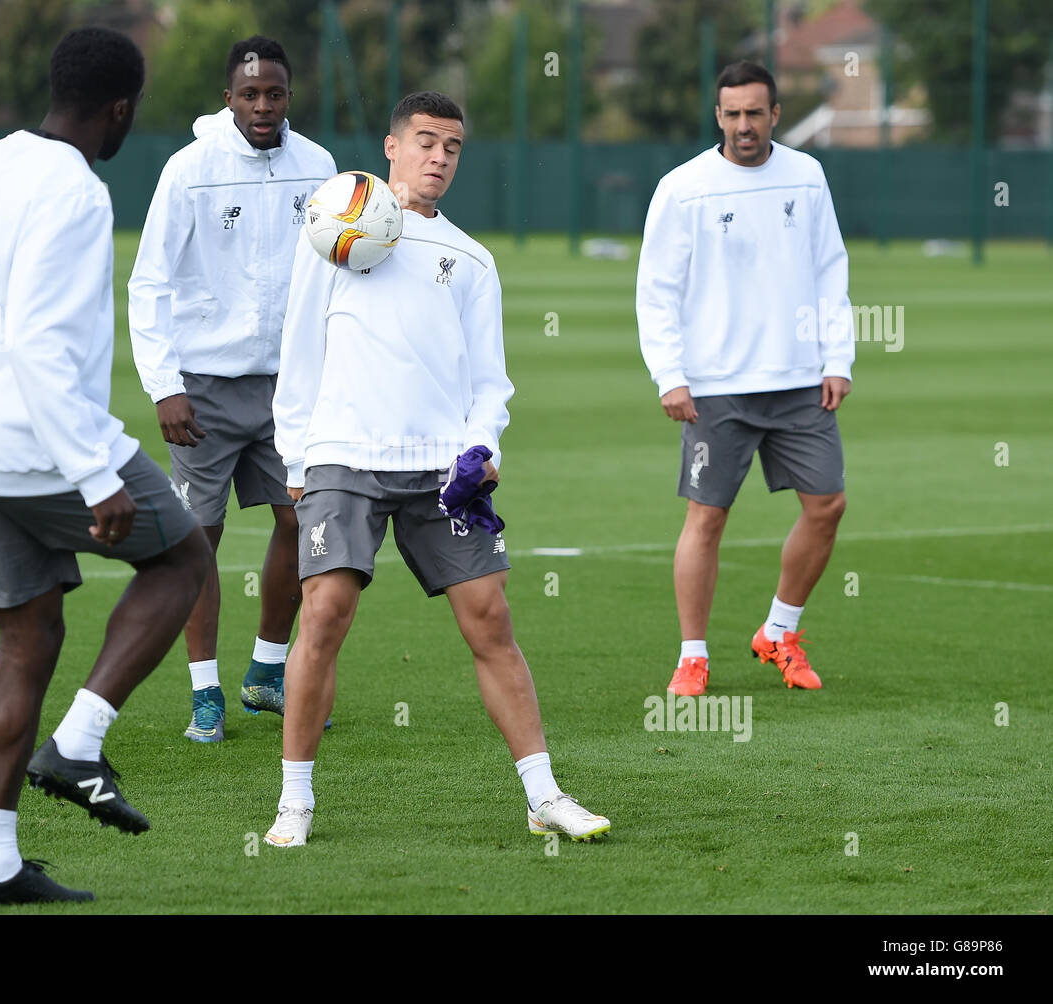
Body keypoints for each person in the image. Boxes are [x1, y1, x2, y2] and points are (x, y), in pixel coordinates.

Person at [0, 27, 211, 907]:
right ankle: (78, 743)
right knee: (182, 556)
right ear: (120, 110)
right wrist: (94, 471)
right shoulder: (76, 192)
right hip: (41, 451)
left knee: (27, 639)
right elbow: (40, 342)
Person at [262, 91, 610, 848]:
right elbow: (298, 351)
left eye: (452, 147)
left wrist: (481, 449)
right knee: (323, 613)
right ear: (391, 147)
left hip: (439, 472)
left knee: (490, 618)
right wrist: (297, 456)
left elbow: (491, 382)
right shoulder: (335, 232)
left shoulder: (472, 260)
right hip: (343, 457)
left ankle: (544, 794)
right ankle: (295, 800)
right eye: (425, 142)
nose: (439, 158)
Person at [128, 35, 336, 743]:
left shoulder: (319, 165)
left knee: (297, 523)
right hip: (204, 388)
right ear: (227, 99)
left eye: (274, 93)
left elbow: (334, 270)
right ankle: (205, 692)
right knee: (199, 539)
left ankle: (267, 673)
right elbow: (149, 281)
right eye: (249, 94)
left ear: (288, 96)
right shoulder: (189, 170)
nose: (263, 106)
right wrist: (164, 386)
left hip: (290, 387)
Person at [635, 61, 854, 698]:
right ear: (718, 116)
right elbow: (657, 291)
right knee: (706, 520)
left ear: (775, 115)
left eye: (754, 113)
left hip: (797, 380)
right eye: (731, 114)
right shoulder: (683, 187)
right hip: (715, 386)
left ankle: (780, 632)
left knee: (828, 505)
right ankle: (692, 657)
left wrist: (837, 358)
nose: (742, 126)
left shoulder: (807, 176)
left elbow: (830, 271)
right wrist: (669, 375)